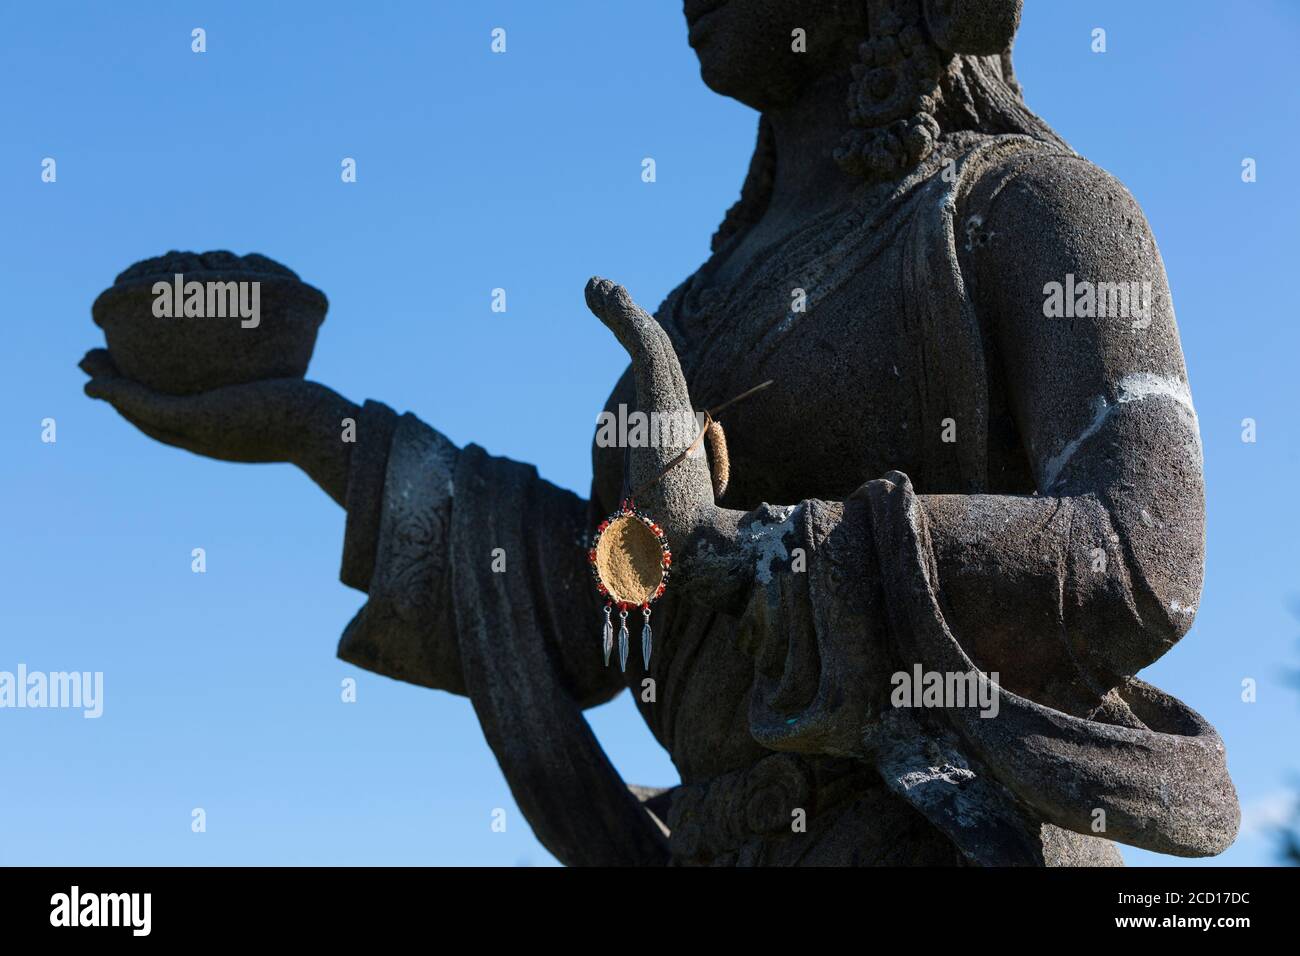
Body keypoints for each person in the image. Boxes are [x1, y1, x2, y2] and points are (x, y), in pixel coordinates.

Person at [81, 0, 1238, 865]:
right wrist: (315, 430)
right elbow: (615, 616)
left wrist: (773, 550)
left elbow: (1143, 556)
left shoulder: (1024, 210)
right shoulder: (695, 312)